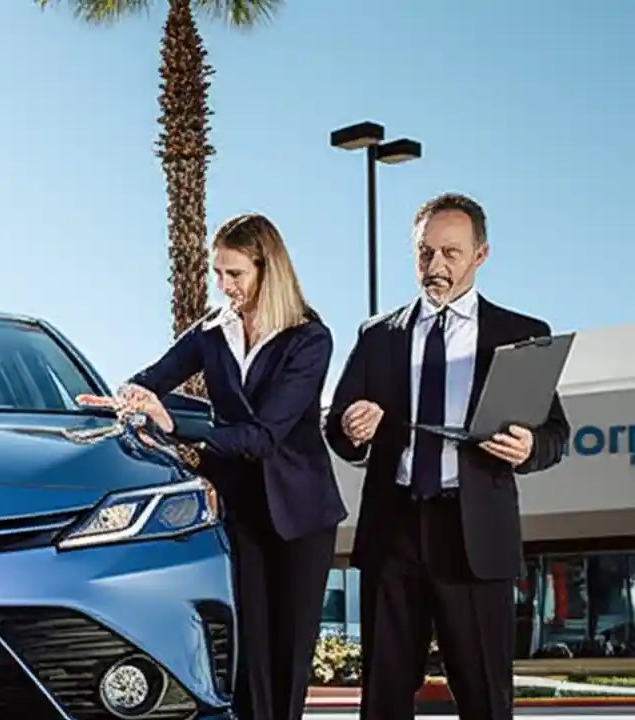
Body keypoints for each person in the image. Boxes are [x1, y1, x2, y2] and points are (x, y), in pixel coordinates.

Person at [81, 212, 348, 720]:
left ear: (268, 270)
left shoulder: (309, 339)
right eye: (218, 274)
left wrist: (176, 425)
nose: (225, 286)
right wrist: (128, 400)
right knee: (247, 648)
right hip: (236, 510)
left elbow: (265, 436)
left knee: (290, 652)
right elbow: (153, 378)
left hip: (300, 516)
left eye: (236, 275)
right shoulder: (211, 331)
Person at [323, 192, 570, 720]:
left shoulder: (521, 335)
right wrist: (350, 427)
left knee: (484, 696)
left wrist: (528, 448)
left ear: (480, 255)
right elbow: (337, 426)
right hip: (394, 533)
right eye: (424, 253)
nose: (436, 266)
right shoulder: (377, 336)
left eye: (451, 253)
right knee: (384, 698)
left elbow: (555, 433)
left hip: (475, 537)